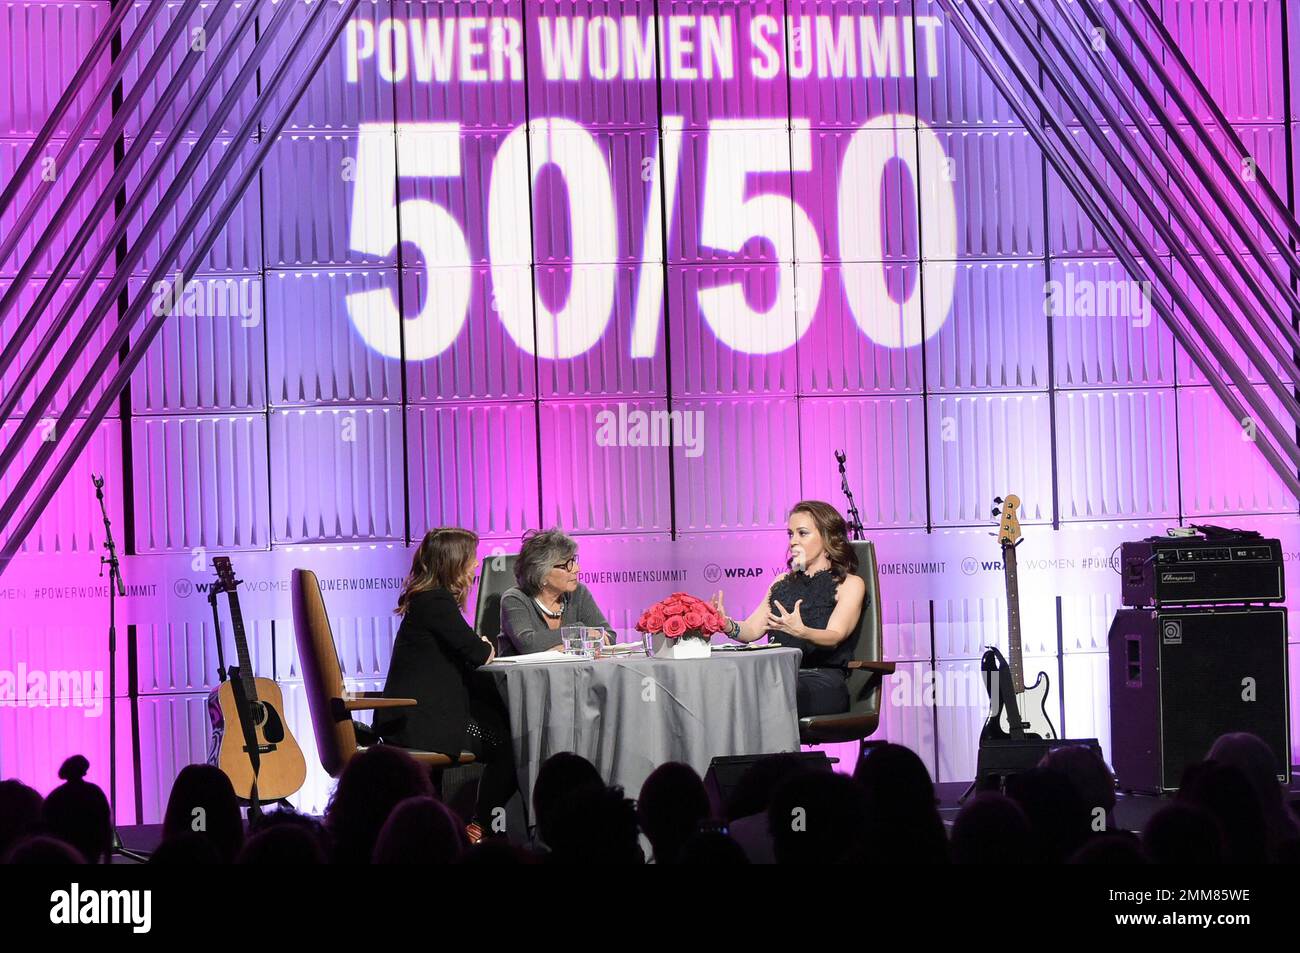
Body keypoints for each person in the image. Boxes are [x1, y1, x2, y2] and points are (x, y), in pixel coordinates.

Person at [374, 528, 517, 833]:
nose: (477, 564)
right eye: (471, 558)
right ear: (454, 561)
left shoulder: (428, 600)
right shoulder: (435, 602)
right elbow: (477, 652)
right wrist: (485, 646)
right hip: (423, 721)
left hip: (423, 715)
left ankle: (459, 828)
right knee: (508, 745)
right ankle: (481, 827)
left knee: (496, 722)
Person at [713, 501, 866, 717]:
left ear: (827, 538)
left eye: (802, 533)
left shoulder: (850, 584)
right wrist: (726, 624)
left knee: (770, 693)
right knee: (734, 688)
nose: (793, 541)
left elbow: (835, 635)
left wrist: (801, 631)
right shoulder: (782, 581)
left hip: (822, 680)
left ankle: (779, 751)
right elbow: (751, 630)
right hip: (779, 675)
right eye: (790, 534)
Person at [498, 528, 615, 655]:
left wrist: (566, 647)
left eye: (574, 561)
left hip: (571, 672)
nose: (576, 569)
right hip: (525, 674)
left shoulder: (578, 593)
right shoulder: (515, 599)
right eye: (566, 565)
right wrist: (579, 631)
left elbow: (608, 636)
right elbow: (528, 644)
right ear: (541, 573)